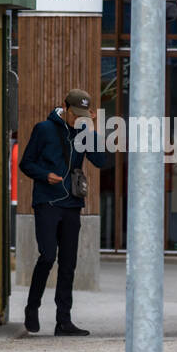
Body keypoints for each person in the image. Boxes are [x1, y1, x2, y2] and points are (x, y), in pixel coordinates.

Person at [19, 89, 113, 336]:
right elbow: (25, 163)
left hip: (72, 203)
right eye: (76, 114)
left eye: (84, 115)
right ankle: (32, 307)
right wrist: (44, 175)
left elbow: (101, 161)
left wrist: (92, 129)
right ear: (65, 108)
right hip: (47, 202)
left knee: (68, 263)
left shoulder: (84, 132)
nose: (78, 119)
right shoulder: (44, 129)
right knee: (48, 256)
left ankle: (63, 321)